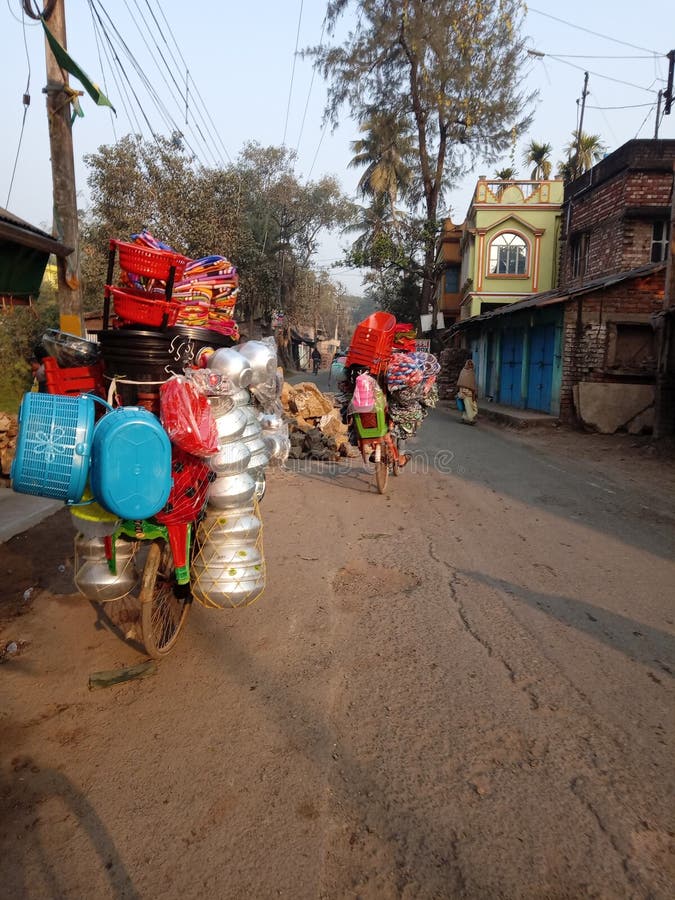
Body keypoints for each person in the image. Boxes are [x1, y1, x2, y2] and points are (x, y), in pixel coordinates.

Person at [456, 358, 478, 425]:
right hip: (468, 393)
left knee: (466, 406)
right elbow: (472, 384)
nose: (471, 365)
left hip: (461, 392)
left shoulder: (463, 371)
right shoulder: (471, 372)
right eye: (471, 364)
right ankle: (471, 420)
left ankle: (464, 418)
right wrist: (474, 392)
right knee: (470, 407)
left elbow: (460, 382)